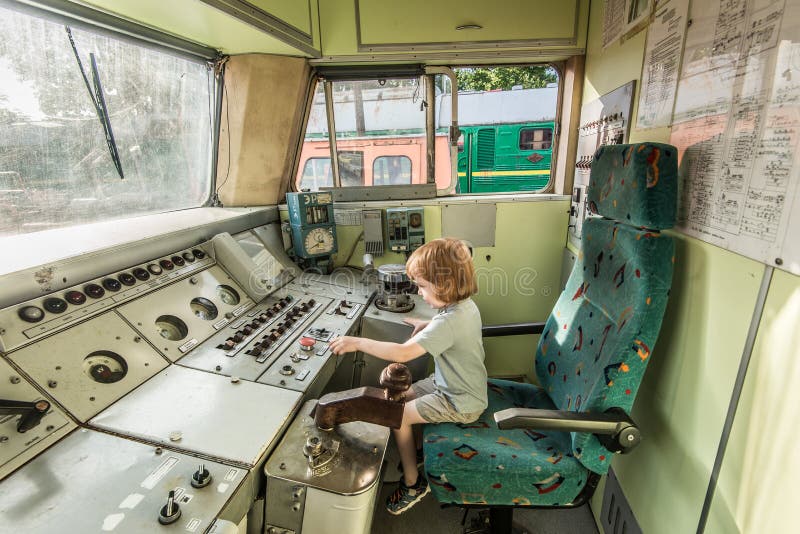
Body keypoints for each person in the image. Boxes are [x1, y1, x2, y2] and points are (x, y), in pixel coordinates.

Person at [329, 238, 488, 515]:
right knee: (403, 395)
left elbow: (402, 354)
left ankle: (413, 483)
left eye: (423, 287)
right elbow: (451, 328)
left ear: (445, 284)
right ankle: (415, 454)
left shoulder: (448, 322)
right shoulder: (464, 307)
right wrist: (427, 325)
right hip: (453, 385)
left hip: (460, 402)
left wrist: (358, 342)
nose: (419, 292)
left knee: (396, 415)